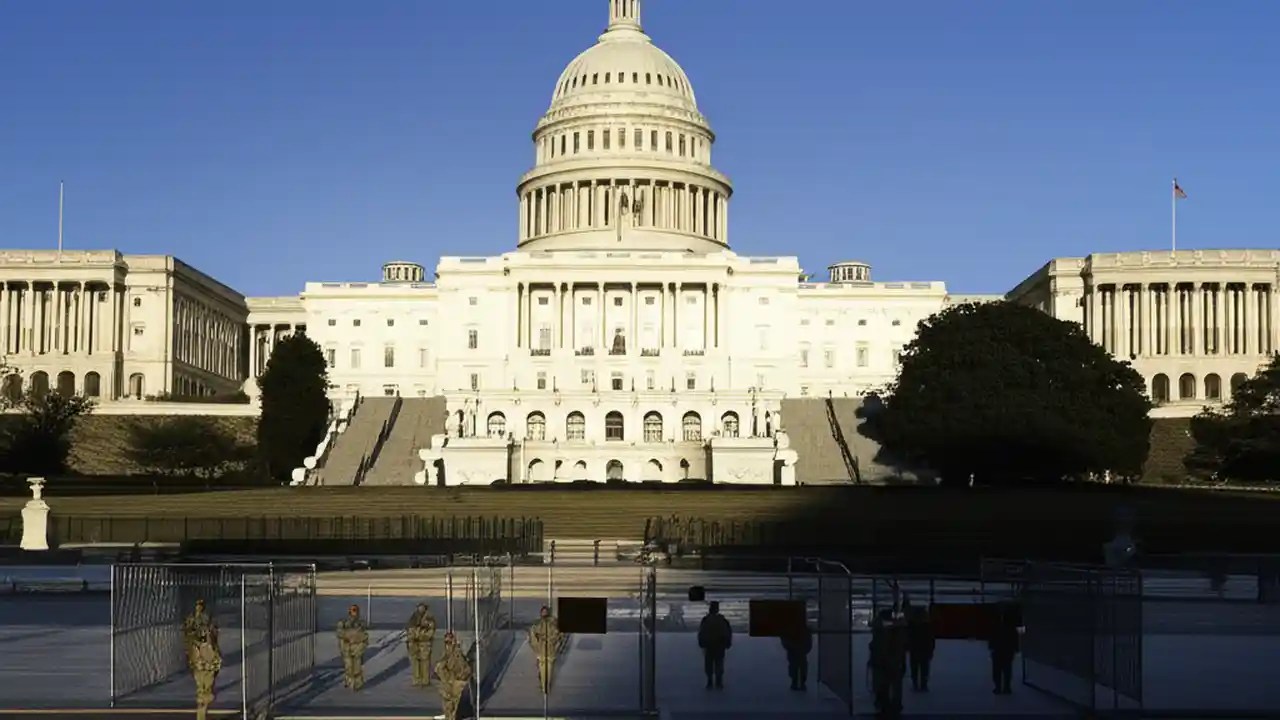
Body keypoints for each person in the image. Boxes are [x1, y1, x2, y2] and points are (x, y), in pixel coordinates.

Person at [868, 609, 907, 717]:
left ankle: (884, 704)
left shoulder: (880, 631)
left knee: (882, 684)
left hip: (882, 661)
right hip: (893, 661)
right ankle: (893, 705)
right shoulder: (898, 631)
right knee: (894, 685)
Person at [435, 631, 472, 720]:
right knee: (448, 705)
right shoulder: (445, 654)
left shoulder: (456, 654)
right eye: (446, 642)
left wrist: (457, 681)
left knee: (454, 705)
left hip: (454, 682)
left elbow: (463, 669)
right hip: (447, 683)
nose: (447, 645)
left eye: (449, 642)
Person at [697, 601, 733, 689]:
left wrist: (701, 641)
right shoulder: (722, 620)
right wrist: (727, 642)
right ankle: (718, 681)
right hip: (719, 644)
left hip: (710, 644)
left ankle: (710, 681)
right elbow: (727, 632)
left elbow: (702, 632)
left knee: (709, 664)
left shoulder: (706, 620)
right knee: (718, 663)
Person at [529, 605, 563, 694]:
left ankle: (545, 687)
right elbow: (532, 637)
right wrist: (536, 648)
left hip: (550, 652)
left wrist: (555, 645)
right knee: (543, 670)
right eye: (543, 612)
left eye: (545, 612)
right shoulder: (538, 624)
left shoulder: (553, 623)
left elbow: (559, 636)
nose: (544, 613)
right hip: (541, 652)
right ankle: (544, 686)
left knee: (549, 671)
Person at [191, 625, 222, 720]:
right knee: (205, 695)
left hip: (205, 670)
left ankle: (202, 713)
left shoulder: (207, 648)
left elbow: (216, 661)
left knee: (205, 694)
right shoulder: (201, 648)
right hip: (204, 671)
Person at [988, 602, 1020, 695]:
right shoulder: (1010, 622)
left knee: (1000, 669)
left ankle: (1001, 687)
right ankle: (1004, 687)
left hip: (1001, 648)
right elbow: (1015, 635)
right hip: (1006, 648)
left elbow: (992, 634)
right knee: (1005, 669)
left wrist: (991, 646)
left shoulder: (996, 622)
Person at [337, 604, 369, 691]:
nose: (354, 612)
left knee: (357, 666)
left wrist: (361, 646)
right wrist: (347, 637)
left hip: (357, 647)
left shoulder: (361, 623)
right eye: (353, 610)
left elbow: (364, 637)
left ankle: (358, 684)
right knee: (348, 666)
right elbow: (340, 633)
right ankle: (349, 681)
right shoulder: (344, 622)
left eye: (356, 610)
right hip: (347, 647)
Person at [406, 603, 438, 687]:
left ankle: (425, 680)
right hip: (414, 643)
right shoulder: (413, 618)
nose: (420, 609)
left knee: (425, 662)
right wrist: (412, 636)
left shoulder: (429, 618)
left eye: (422, 608)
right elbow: (409, 629)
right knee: (415, 661)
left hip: (425, 643)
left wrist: (422, 636)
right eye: (419, 608)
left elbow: (431, 631)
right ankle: (417, 679)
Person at [183, 599, 217, 674]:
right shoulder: (192, 616)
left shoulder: (206, 616)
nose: (199, 607)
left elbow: (210, 626)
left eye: (201, 605)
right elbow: (188, 627)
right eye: (197, 605)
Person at [906, 605, 935, 692]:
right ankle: (923, 685)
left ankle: (916, 684)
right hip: (923, 649)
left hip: (915, 649)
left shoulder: (911, 626)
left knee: (915, 667)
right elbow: (930, 639)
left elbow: (908, 637)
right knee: (923, 668)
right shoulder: (927, 626)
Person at [780, 620, 812, 691]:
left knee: (795, 665)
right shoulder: (804, 629)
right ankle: (799, 682)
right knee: (799, 665)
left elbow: (784, 640)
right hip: (798, 649)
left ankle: (796, 682)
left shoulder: (790, 627)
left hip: (795, 649)